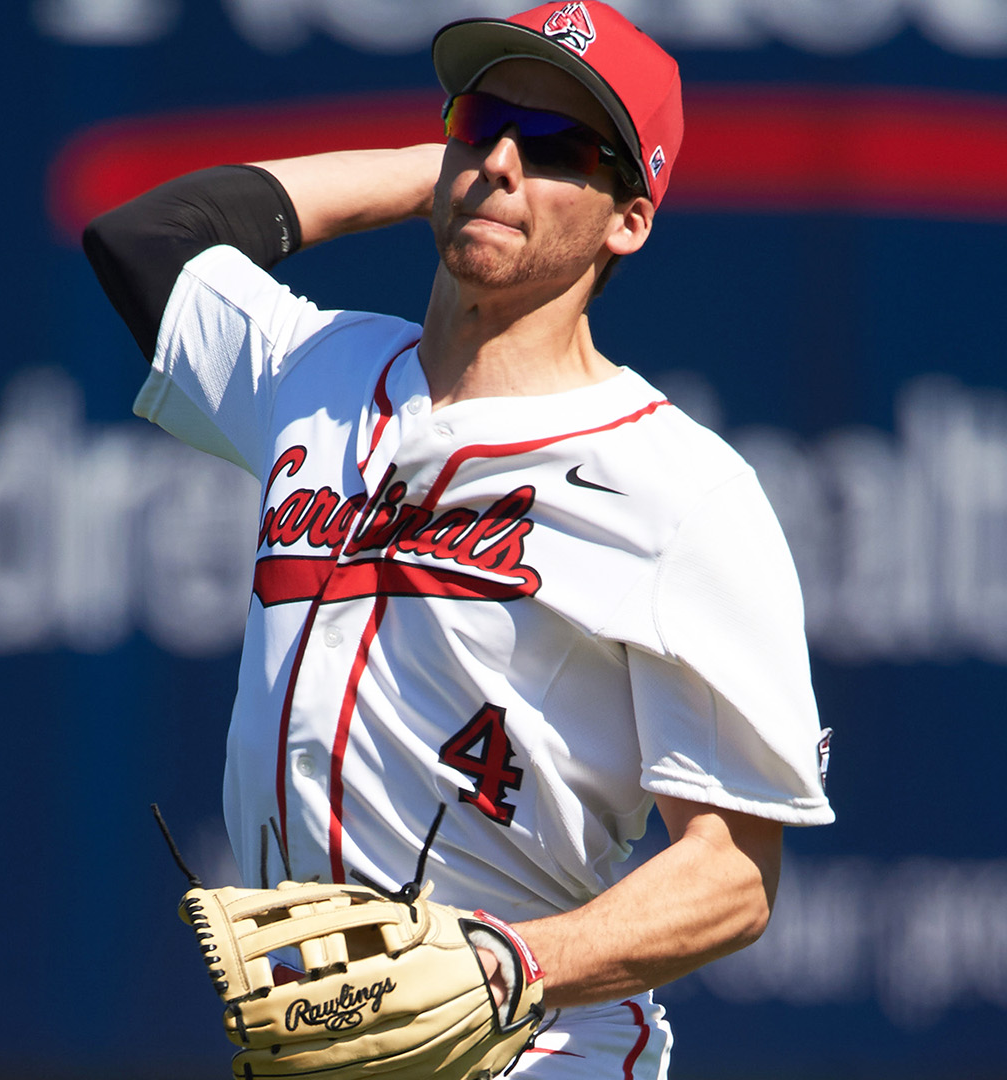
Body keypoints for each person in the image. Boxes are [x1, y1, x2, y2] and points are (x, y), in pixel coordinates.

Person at [83, 3, 832, 1075]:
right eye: (485, 118)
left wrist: (508, 963)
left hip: (532, 1051)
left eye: (562, 144)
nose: (505, 160)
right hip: (308, 1043)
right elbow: (144, 238)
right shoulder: (317, 370)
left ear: (630, 218)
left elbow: (731, 878)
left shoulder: (680, 489)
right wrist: (445, 172)